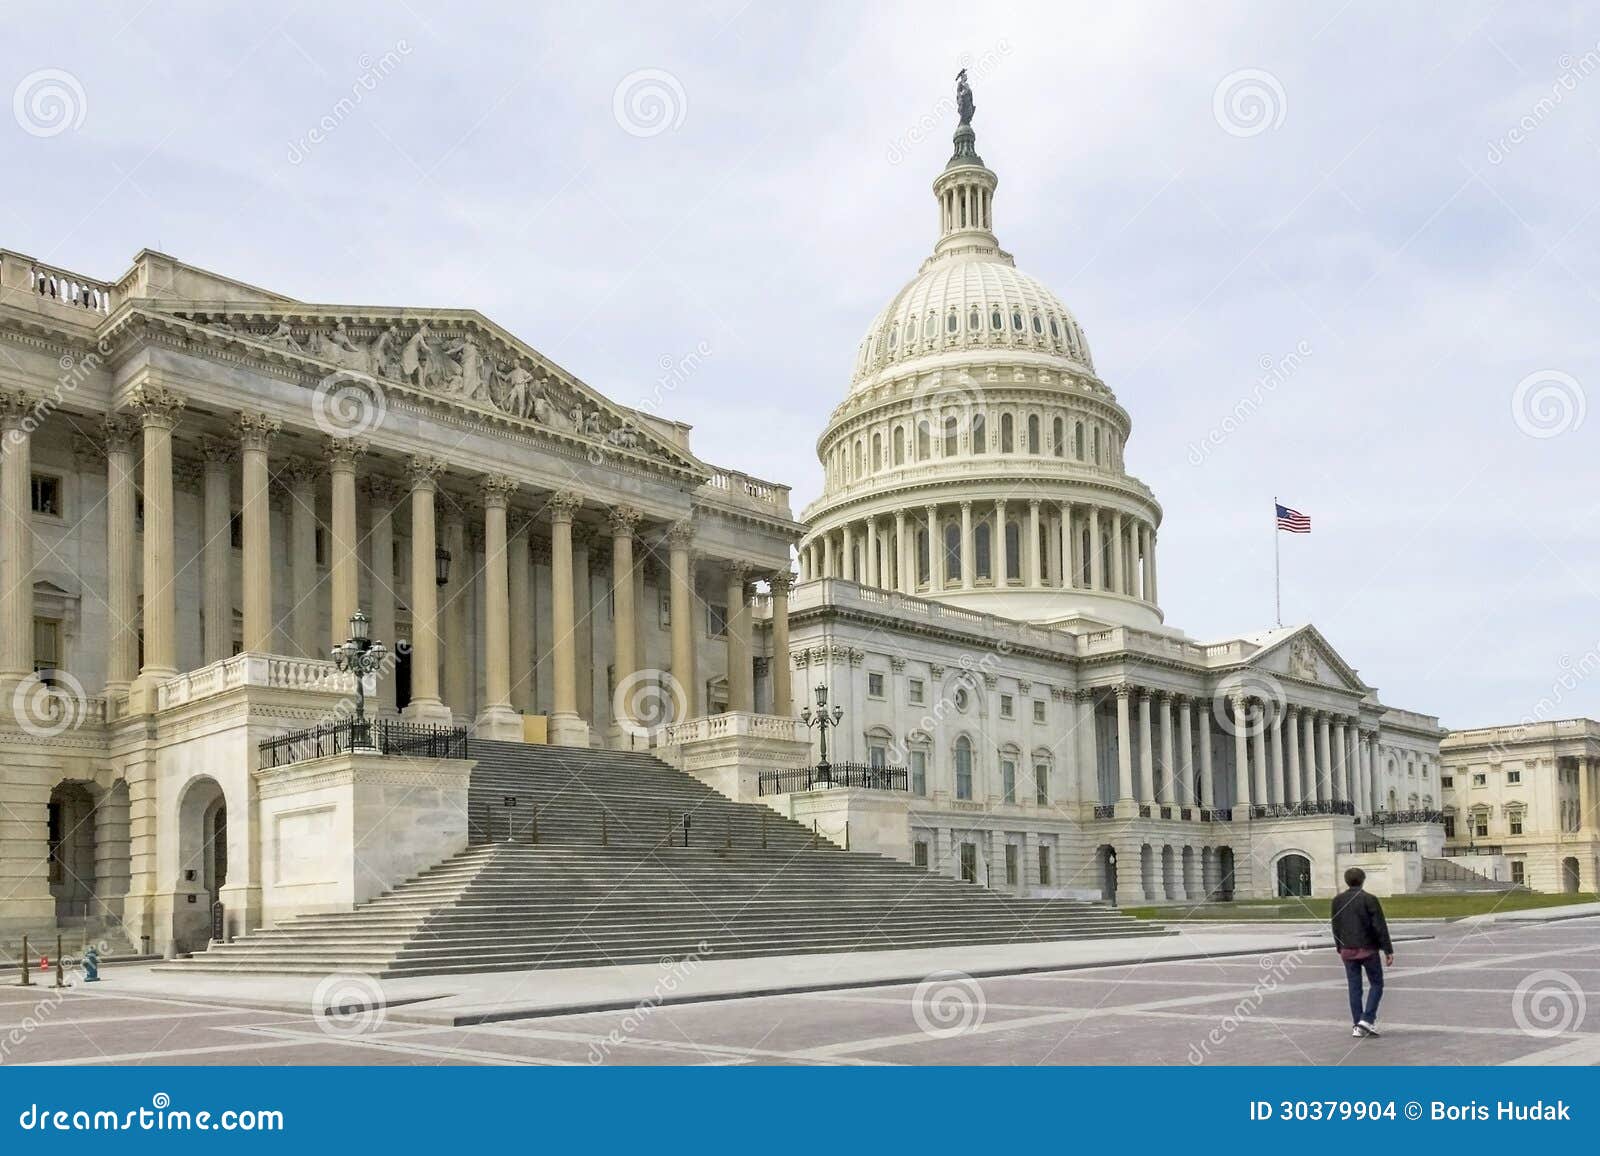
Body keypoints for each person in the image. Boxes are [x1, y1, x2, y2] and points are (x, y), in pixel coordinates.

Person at [1331, 866, 1394, 1038]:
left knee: (1354, 987)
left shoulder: (1337, 900)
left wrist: (1339, 947)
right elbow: (1379, 926)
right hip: (1367, 948)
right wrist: (1387, 949)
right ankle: (1366, 1019)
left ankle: (1357, 1024)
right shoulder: (1369, 899)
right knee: (1377, 983)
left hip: (1347, 949)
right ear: (1363, 880)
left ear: (1346, 881)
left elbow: (1335, 925)